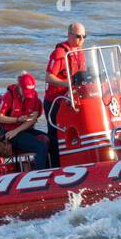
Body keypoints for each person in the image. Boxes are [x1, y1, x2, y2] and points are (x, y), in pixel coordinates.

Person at [44, 23, 87, 167]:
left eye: (83, 37)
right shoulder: (59, 53)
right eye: (78, 36)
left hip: (71, 99)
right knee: (56, 135)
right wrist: (67, 85)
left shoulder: (80, 52)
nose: (81, 40)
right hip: (55, 101)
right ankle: (55, 165)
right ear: (69, 35)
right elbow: (49, 77)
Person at [0, 72, 50, 169]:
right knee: (41, 147)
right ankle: (38, 175)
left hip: (22, 130)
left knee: (51, 140)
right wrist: (17, 120)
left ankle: (51, 169)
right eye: (26, 91)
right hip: (9, 132)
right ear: (19, 87)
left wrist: (17, 130)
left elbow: (32, 119)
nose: (28, 95)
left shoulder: (33, 96)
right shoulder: (9, 95)